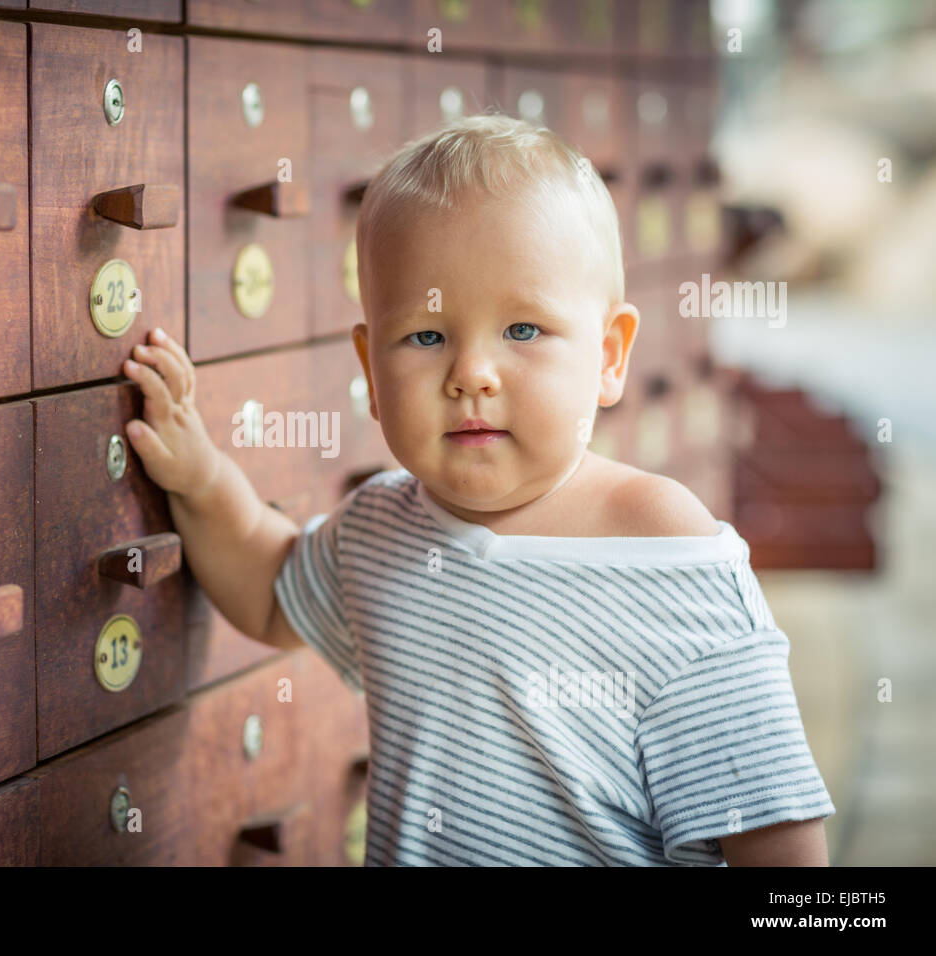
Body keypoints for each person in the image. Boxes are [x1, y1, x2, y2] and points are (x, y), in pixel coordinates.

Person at [119, 112, 834, 866]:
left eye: (523, 330)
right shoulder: (379, 530)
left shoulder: (661, 549)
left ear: (609, 355)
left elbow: (779, 839)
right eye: (426, 336)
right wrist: (200, 477)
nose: (470, 374)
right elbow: (267, 589)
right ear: (370, 364)